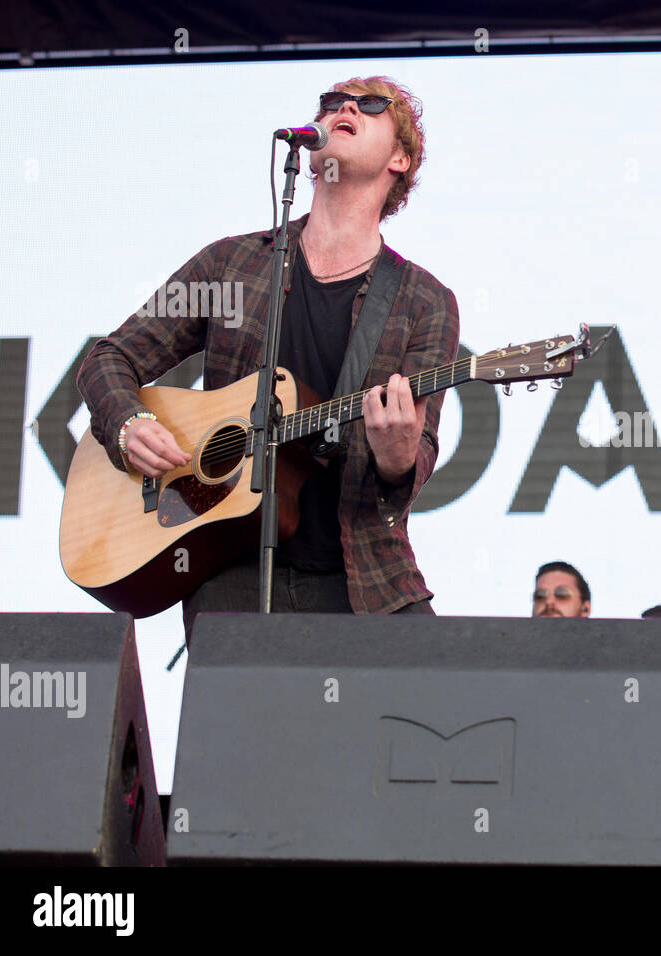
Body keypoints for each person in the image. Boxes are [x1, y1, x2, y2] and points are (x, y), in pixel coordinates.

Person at [76, 76, 460, 638]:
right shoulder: (229, 266)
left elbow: (411, 461)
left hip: (364, 577)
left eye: (371, 107)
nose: (345, 108)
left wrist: (398, 456)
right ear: (308, 155)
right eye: (332, 104)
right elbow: (108, 359)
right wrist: (128, 422)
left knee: (431, 708)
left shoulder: (425, 300)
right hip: (230, 569)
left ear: (400, 158)